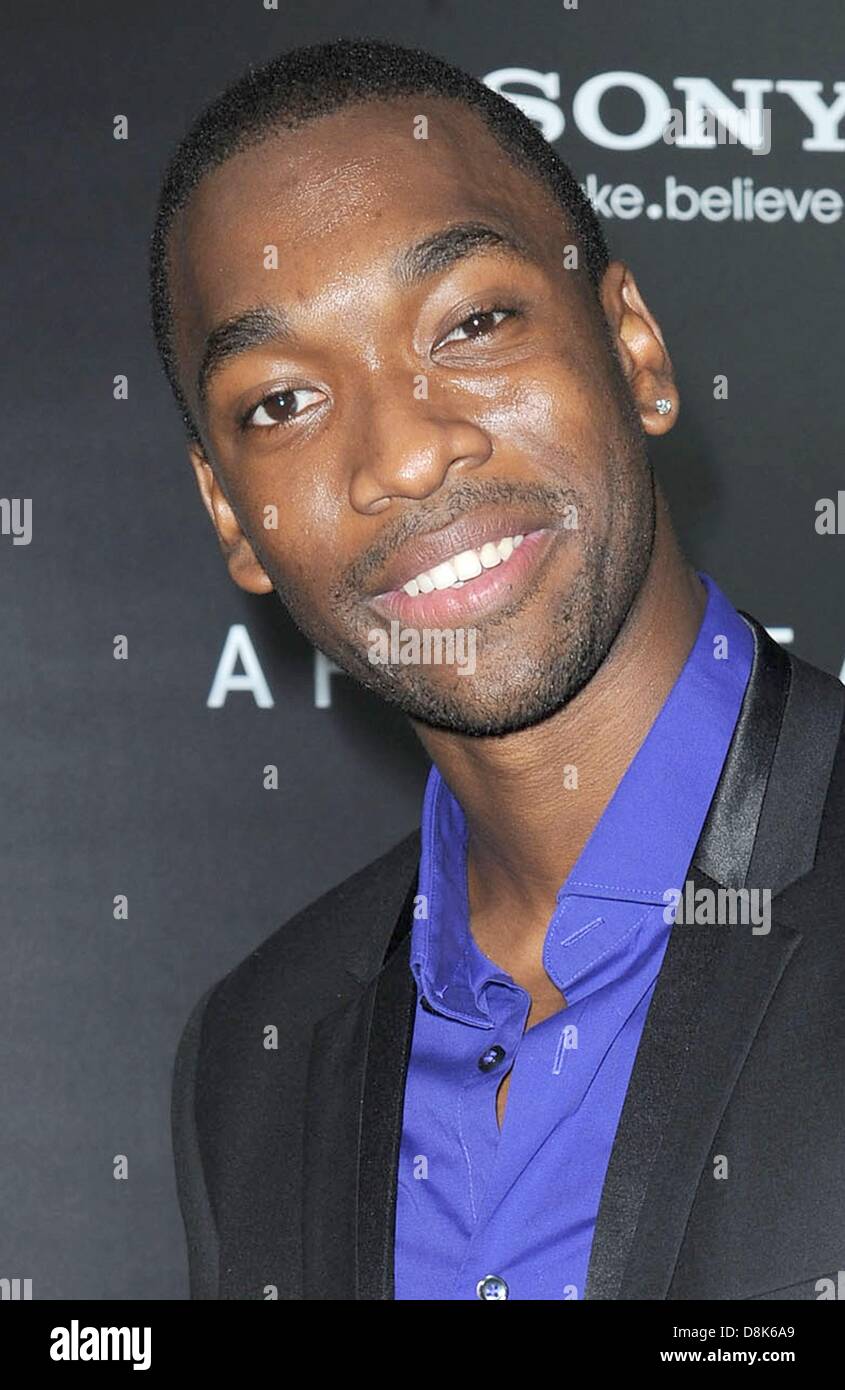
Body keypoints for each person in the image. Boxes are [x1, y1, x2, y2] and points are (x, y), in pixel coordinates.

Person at [150, 37, 845, 1300]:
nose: (403, 455)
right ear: (229, 516)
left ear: (633, 348)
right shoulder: (251, 1060)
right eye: (281, 401)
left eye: (471, 322)